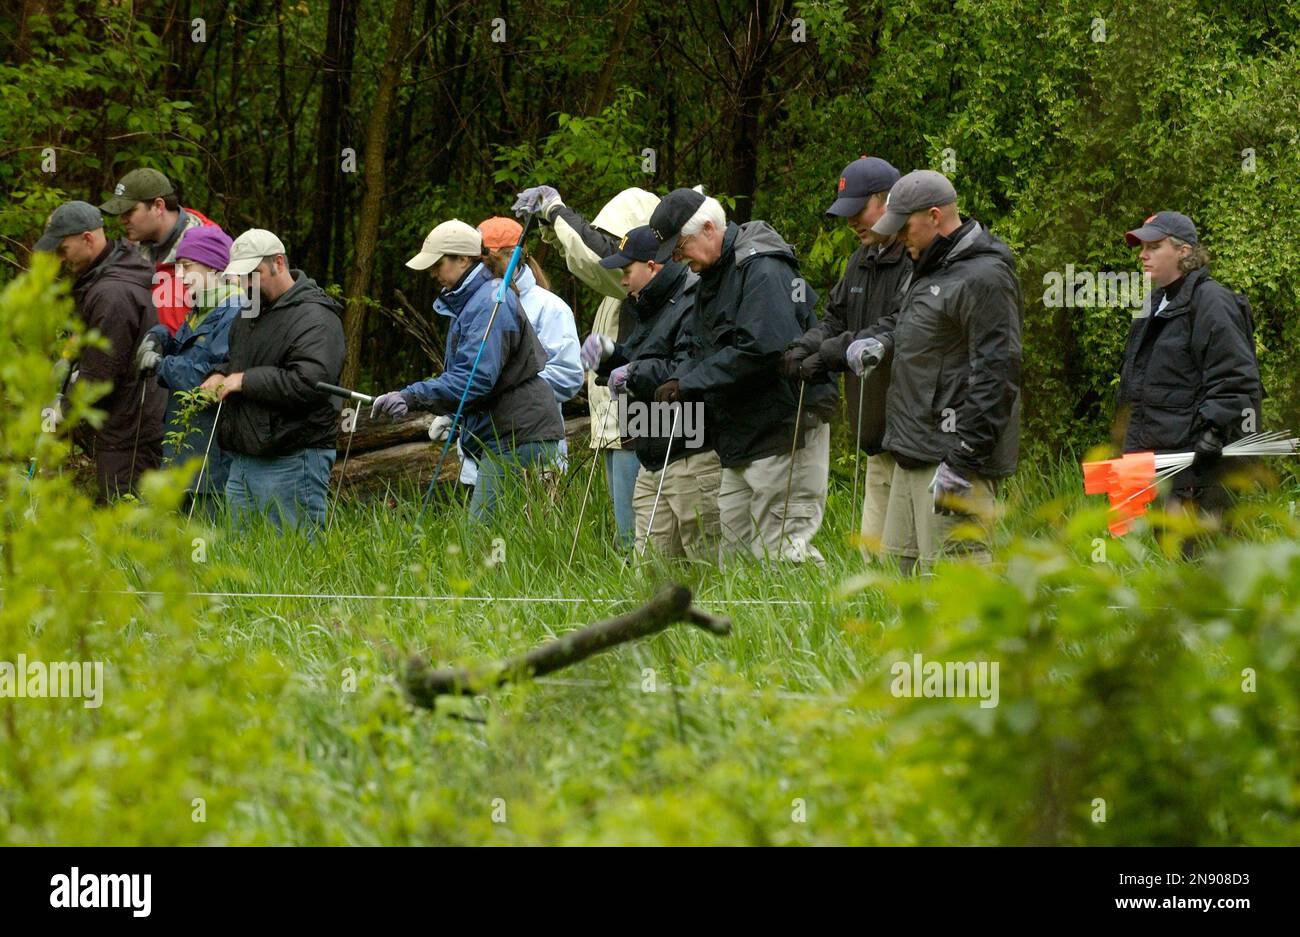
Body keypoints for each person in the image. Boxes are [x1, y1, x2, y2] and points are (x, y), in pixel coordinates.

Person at [848, 170, 1022, 574]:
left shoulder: (985, 277)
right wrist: (882, 342)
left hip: (952, 459)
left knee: (955, 586)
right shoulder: (927, 265)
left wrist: (964, 459)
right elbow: (915, 325)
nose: (901, 238)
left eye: (905, 228)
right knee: (898, 580)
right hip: (910, 450)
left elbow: (997, 374)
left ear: (935, 216)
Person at [648, 188, 835, 563]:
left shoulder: (763, 267)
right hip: (740, 438)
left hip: (784, 430)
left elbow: (762, 349)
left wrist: (689, 384)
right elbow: (704, 350)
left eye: (680, 245)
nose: (677, 257)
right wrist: (675, 380)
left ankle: (803, 622)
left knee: (782, 553)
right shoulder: (712, 278)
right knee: (733, 561)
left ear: (707, 229)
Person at [370, 220, 564, 525]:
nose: (433, 273)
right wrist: (453, 416)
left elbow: (475, 378)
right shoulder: (474, 299)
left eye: (438, 264)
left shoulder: (490, 302)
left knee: (482, 539)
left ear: (463, 259)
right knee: (504, 539)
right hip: (509, 434)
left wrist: (412, 396)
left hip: (519, 436)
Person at [512, 185, 660, 550]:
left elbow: (595, 258)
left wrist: (557, 211)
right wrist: (554, 229)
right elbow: (590, 259)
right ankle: (635, 585)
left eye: (616, 236)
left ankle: (645, 591)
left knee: (638, 535)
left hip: (635, 417)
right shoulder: (626, 282)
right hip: (615, 419)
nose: (612, 246)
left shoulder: (647, 278)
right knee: (627, 530)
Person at [783, 156, 910, 557]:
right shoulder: (861, 259)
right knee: (873, 555)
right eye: (847, 213)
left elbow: (896, 325)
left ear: (885, 200)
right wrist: (806, 346)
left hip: (912, 430)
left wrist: (829, 354)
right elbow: (834, 319)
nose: (852, 222)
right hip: (874, 429)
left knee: (904, 553)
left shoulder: (915, 257)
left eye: (859, 211)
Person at [1116, 211, 1262, 539]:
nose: (1143, 254)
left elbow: (1237, 376)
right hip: (1168, 464)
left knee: (1202, 567)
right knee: (1174, 565)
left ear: (1184, 252)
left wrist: (1213, 432)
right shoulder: (1154, 305)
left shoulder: (1212, 302)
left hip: (1203, 467)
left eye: (1154, 246)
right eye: (1142, 246)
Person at [198, 229, 345, 535]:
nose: (246, 284)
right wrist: (220, 375)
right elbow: (242, 363)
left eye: (254, 274)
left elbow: (311, 381)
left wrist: (244, 380)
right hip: (243, 458)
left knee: (295, 563)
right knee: (244, 563)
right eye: (241, 276)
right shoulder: (249, 314)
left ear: (278, 263)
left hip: (293, 458)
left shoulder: (316, 316)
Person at [590, 225, 720, 559]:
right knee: (649, 567)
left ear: (651, 266)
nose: (622, 280)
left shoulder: (693, 299)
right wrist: (610, 356)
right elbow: (637, 359)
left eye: (626, 271)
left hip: (691, 449)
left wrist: (632, 372)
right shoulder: (645, 305)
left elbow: (686, 369)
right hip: (651, 451)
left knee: (706, 563)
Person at [35, 200, 167, 502]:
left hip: (129, 429)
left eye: (62, 249)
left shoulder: (112, 293)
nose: (60, 259)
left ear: (87, 238)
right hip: (125, 421)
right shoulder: (114, 269)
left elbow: (100, 375)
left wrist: (59, 414)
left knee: (125, 522)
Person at [440, 216, 581, 488]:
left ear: (509, 256)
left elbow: (568, 376)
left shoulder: (549, 308)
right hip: (478, 456)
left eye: (485, 258)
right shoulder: (474, 305)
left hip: (533, 458)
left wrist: (502, 392)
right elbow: (467, 372)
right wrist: (452, 411)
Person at [136, 225, 242, 519]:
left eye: (186, 267)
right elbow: (188, 353)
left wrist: (160, 364)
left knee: (206, 546)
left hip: (210, 460)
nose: (180, 277)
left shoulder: (234, 311)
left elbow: (207, 378)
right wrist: (160, 337)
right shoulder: (201, 310)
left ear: (213, 266)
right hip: (186, 454)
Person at [99, 167, 219, 336]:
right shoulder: (131, 253)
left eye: (129, 211)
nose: (122, 220)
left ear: (158, 206)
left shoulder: (212, 252)